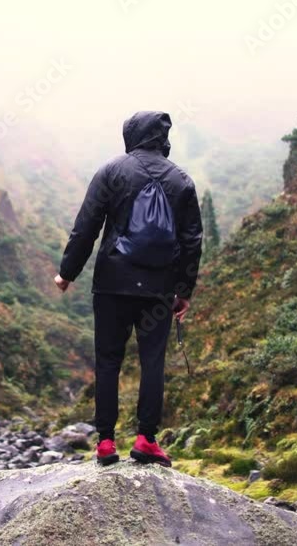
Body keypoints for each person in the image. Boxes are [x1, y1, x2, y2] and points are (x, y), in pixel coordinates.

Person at [54, 111, 203, 468]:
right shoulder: (181, 180)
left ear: (131, 134)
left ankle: (105, 441)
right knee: (152, 362)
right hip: (158, 289)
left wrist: (67, 273)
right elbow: (192, 240)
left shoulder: (111, 172)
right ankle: (146, 439)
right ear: (163, 137)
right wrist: (183, 291)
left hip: (111, 285)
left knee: (108, 361)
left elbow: (86, 225)